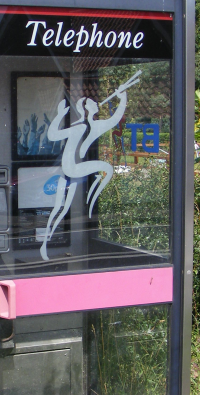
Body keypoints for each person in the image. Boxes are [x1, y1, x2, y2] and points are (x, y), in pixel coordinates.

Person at [39, 71, 141, 261]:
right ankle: (92, 200)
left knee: (59, 209)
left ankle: (45, 245)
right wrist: (59, 115)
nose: (96, 104)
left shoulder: (93, 125)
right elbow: (52, 135)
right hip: (72, 167)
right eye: (92, 103)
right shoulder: (81, 126)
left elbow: (115, 118)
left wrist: (123, 96)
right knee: (107, 169)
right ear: (87, 109)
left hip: (75, 170)